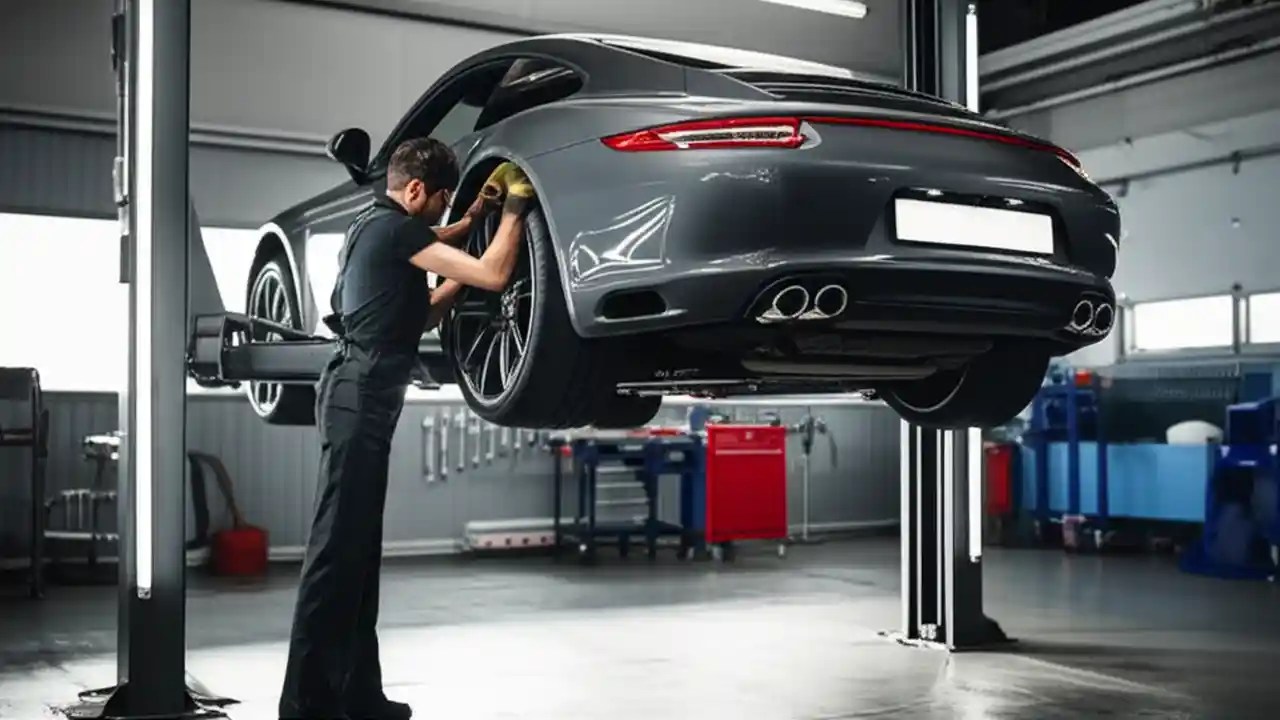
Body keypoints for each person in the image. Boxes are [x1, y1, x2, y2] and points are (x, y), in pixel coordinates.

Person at [279, 137, 533, 720]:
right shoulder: (394, 232)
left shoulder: (377, 230)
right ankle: (306, 709)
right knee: (335, 555)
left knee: (359, 555)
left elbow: (428, 306)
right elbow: (493, 274)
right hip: (360, 394)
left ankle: (359, 695)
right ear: (416, 191)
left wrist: (471, 217)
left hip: (361, 392)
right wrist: (514, 208)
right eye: (441, 205)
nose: (443, 219)